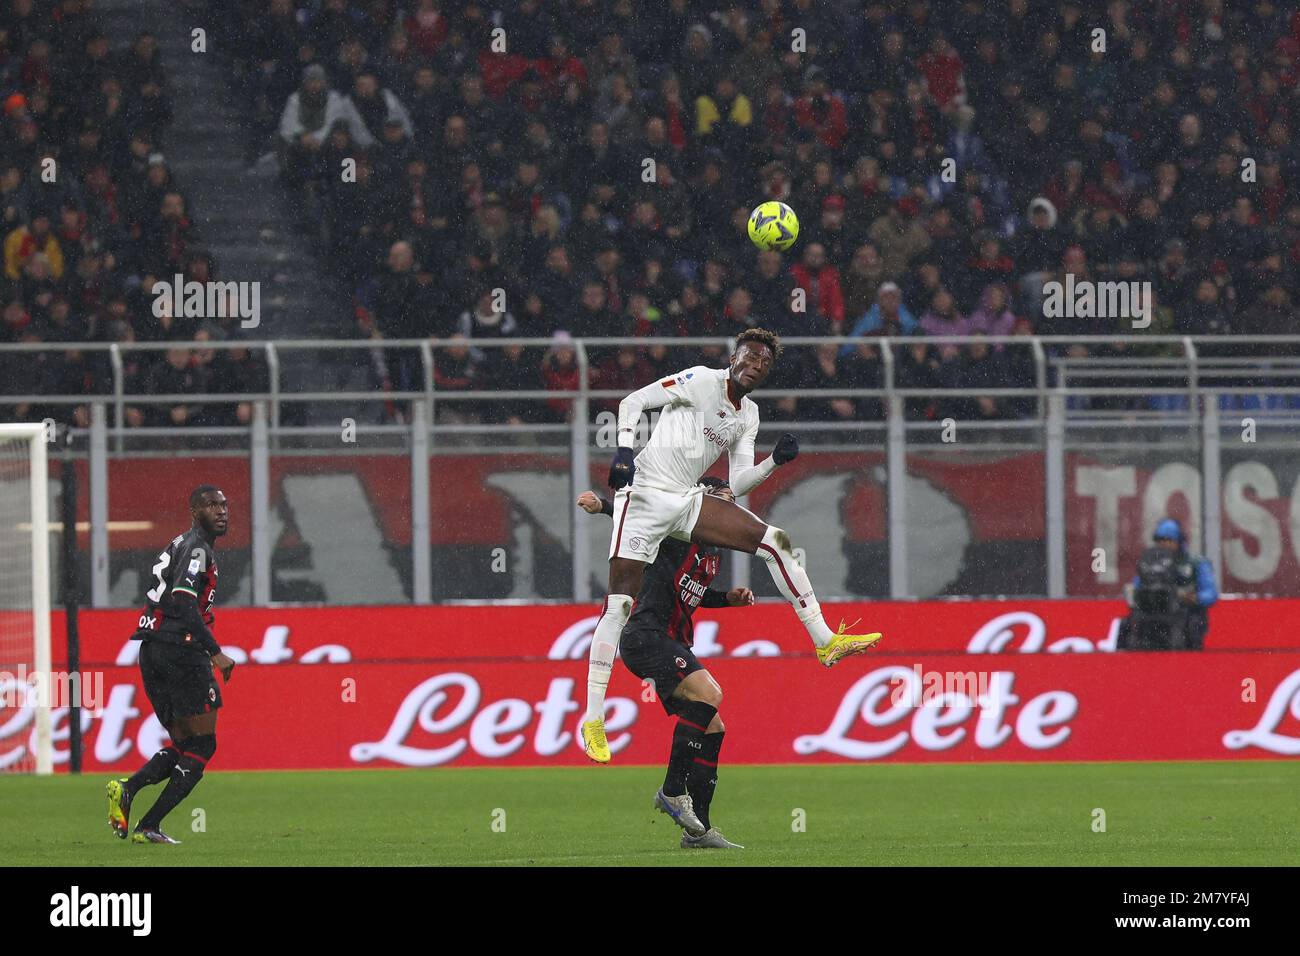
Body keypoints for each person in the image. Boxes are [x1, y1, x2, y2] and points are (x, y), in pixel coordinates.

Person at [582, 328, 883, 772]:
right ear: (735, 355)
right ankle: (592, 720)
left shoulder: (749, 414)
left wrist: (773, 463)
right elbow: (633, 402)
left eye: (765, 361)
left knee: (774, 540)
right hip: (643, 495)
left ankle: (824, 640)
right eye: (751, 354)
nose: (756, 364)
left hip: (686, 499)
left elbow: (736, 482)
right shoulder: (701, 380)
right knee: (619, 606)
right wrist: (624, 450)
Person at [578, 477, 750, 848]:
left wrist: (727, 600)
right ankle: (672, 792)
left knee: (713, 727)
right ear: (700, 502)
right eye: (723, 501)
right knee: (710, 694)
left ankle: (698, 830)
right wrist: (605, 507)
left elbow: (694, 594)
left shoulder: (712, 552)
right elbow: (640, 517)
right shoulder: (677, 534)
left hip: (670, 641)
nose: (729, 510)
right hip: (645, 636)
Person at [106, 486, 235, 844]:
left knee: (185, 742)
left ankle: (128, 790)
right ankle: (149, 826)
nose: (221, 511)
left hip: (152, 649)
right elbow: (182, 601)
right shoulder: (197, 548)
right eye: (212, 505)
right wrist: (214, 651)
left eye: (224, 505)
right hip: (181, 650)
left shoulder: (181, 543)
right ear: (194, 511)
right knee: (204, 744)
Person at [1121, 518, 1218, 651]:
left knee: (1193, 623)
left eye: (1168, 540)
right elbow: (1136, 587)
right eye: (1160, 541)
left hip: (1184, 613)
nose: (1164, 544)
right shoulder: (1149, 563)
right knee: (1126, 624)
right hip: (1153, 612)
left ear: (1179, 541)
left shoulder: (1196, 563)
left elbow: (1211, 594)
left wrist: (1193, 598)